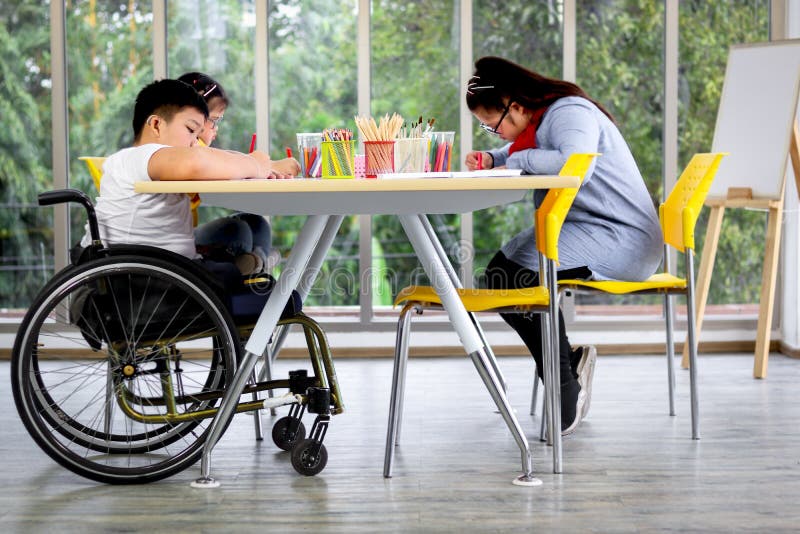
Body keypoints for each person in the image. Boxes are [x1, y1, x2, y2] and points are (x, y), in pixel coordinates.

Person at [464, 56, 662, 435]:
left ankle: (563, 388)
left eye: (495, 127)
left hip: (621, 238)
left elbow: (574, 162)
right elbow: (533, 150)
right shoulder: (539, 123)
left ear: (516, 106)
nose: (500, 135)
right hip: (589, 228)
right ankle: (566, 365)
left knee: (514, 275)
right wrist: (493, 159)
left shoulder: (569, 112)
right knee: (501, 275)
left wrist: (512, 160)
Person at [79, 78, 288, 286]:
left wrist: (254, 163)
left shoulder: (139, 159)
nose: (193, 143)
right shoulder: (144, 155)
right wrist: (257, 166)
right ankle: (254, 265)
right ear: (156, 125)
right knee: (242, 253)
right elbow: (197, 162)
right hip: (156, 280)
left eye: (197, 135)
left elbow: (201, 157)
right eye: (190, 130)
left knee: (253, 227)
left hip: (164, 270)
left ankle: (253, 264)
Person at [178, 72, 300, 274]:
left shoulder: (193, 148)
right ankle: (255, 263)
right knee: (238, 231)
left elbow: (221, 157)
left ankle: (254, 263)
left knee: (256, 223)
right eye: (214, 121)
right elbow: (210, 160)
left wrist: (261, 165)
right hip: (176, 246)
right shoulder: (183, 151)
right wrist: (263, 166)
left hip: (186, 236)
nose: (216, 129)